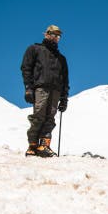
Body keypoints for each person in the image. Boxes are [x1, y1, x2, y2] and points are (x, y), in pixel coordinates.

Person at [21, 25, 69, 157]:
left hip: (56, 91)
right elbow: (26, 68)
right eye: (53, 34)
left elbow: (65, 80)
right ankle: (32, 146)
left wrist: (64, 99)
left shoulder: (61, 59)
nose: (56, 38)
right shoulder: (35, 49)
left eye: (58, 36)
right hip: (41, 88)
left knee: (50, 118)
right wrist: (28, 88)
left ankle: (44, 146)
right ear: (46, 34)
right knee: (38, 116)